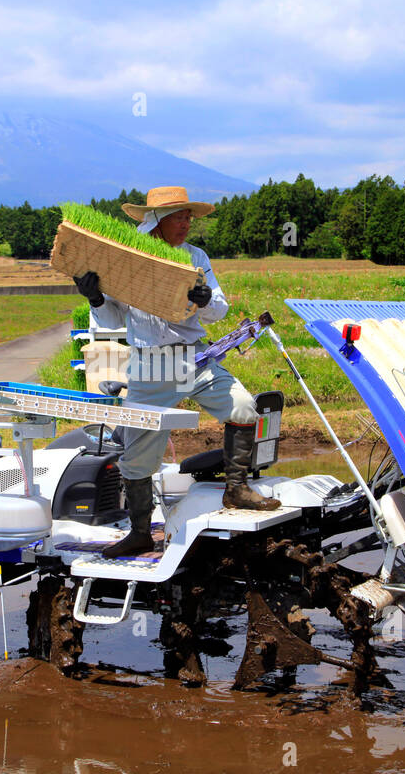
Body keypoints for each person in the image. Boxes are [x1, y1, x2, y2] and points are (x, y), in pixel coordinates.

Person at [75, 185, 281, 559]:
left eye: (189, 216)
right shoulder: (128, 259)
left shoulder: (196, 257)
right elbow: (110, 318)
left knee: (243, 407)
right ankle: (140, 532)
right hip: (150, 367)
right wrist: (95, 296)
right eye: (180, 217)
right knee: (137, 456)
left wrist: (204, 300)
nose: (187, 223)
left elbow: (217, 308)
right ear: (158, 221)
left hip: (194, 360)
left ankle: (236, 489)